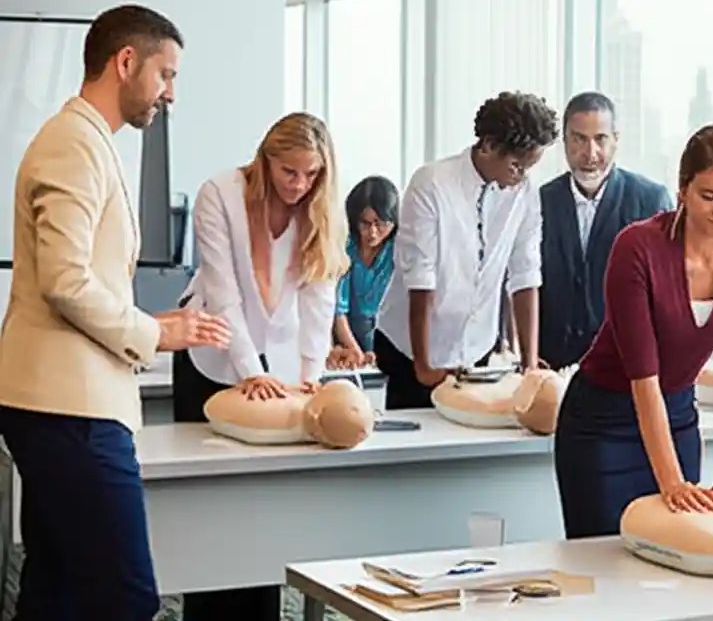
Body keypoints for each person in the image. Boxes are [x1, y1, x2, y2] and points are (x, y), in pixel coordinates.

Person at [0, 4, 231, 620]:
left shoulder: (89, 141)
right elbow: (66, 279)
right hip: (68, 406)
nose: (170, 93)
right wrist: (153, 331)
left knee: (56, 592)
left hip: (63, 403)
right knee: (124, 597)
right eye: (165, 74)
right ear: (126, 62)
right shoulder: (73, 144)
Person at [554, 124, 713, 539]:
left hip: (678, 416)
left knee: (677, 551)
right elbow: (642, 374)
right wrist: (672, 482)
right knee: (604, 558)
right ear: (683, 190)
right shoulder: (638, 247)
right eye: (709, 196)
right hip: (603, 421)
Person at [172, 110, 345, 620]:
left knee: (262, 504)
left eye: (311, 174)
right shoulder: (219, 194)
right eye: (289, 171)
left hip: (282, 362)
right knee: (211, 505)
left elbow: (319, 296)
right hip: (212, 356)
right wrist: (250, 370)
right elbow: (224, 293)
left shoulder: (319, 205)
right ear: (265, 159)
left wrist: (311, 375)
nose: (300, 184)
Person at [374, 91, 557, 409]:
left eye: (528, 168)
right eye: (516, 166)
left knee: (469, 432)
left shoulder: (525, 193)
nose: (521, 177)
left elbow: (525, 273)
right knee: (417, 435)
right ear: (488, 145)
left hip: (475, 350)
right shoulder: (431, 183)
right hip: (410, 351)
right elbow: (420, 275)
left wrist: (529, 365)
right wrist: (424, 365)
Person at [538, 91, 672, 370]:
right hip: (550, 365)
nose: (590, 153)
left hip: (624, 364)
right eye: (579, 139)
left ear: (616, 140)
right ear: (564, 140)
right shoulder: (539, 202)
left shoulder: (650, 200)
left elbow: (667, 290)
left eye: (600, 139)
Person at [333, 175, 399, 357]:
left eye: (381, 224)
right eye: (365, 223)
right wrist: (356, 352)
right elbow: (338, 310)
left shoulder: (399, 250)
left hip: (389, 340)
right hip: (346, 338)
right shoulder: (344, 247)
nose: (373, 232)